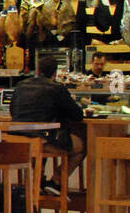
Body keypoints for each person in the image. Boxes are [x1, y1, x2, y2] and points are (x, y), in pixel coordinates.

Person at [10, 55, 87, 195]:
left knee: (40, 139)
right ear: (55, 73)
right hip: (42, 140)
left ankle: (38, 181)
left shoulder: (20, 85)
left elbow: (12, 111)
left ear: (37, 70)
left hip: (18, 141)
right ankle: (56, 181)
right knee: (81, 147)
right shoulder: (56, 88)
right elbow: (77, 115)